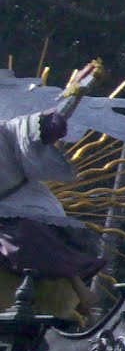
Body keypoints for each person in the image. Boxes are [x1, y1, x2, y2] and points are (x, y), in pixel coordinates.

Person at [0, 109, 106, 321]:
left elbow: (30, 130)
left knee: (28, 233)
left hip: (23, 203)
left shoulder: (5, 128)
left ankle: (75, 282)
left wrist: (60, 113)